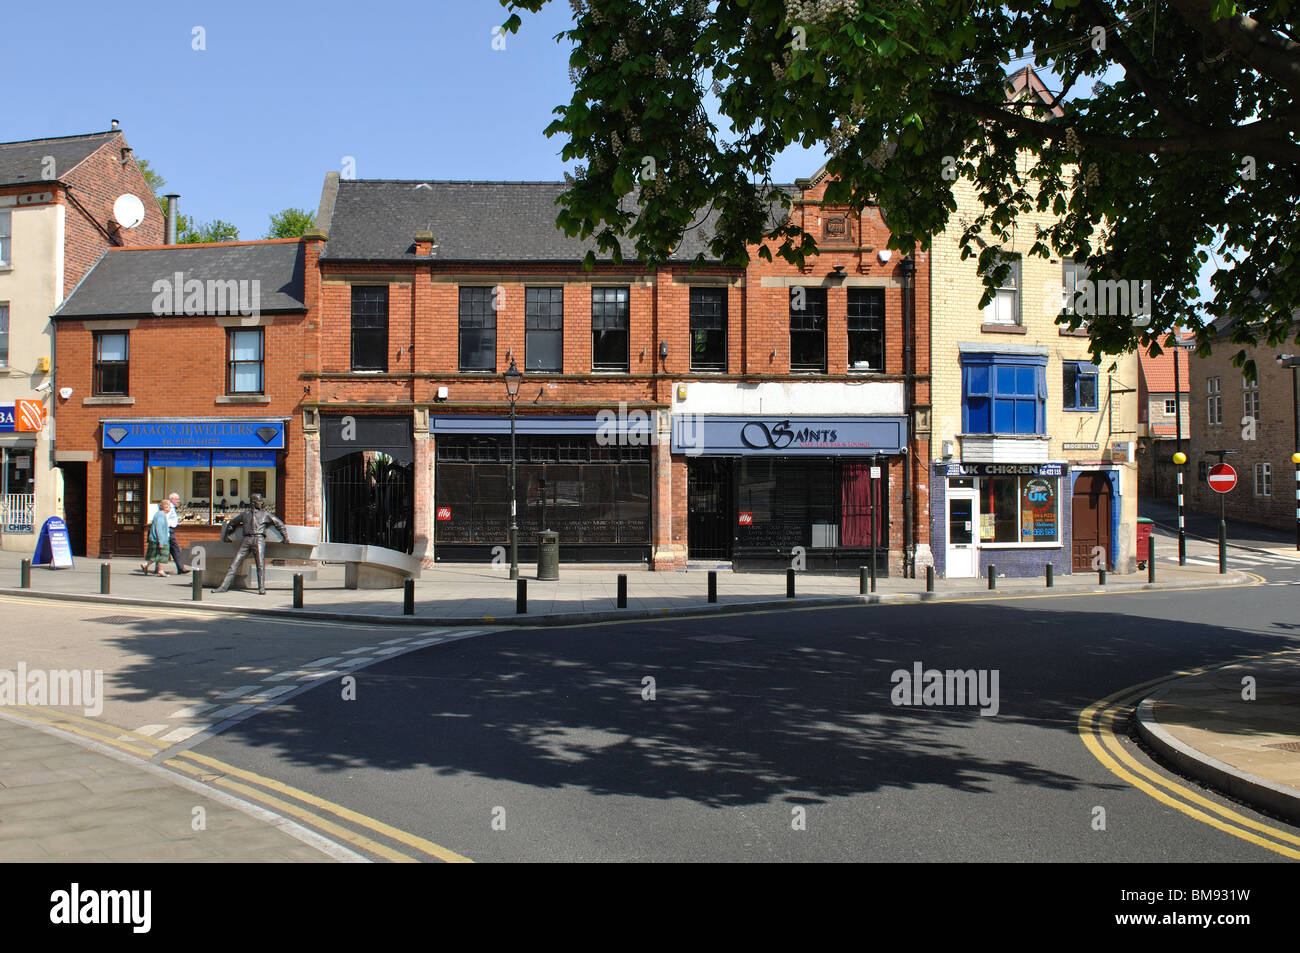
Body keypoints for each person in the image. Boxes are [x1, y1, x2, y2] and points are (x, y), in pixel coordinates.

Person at [215, 493, 289, 594]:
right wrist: (226, 535)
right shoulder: (245, 514)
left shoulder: (265, 514)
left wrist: (285, 537)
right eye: (259, 501)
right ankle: (223, 587)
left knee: (260, 564)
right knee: (235, 563)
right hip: (247, 540)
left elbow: (280, 524)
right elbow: (232, 523)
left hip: (259, 539)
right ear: (253, 503)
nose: (262, 502)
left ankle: (261, 588)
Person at [141, 500, 172, 577]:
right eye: (169, 507)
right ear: (165, 507)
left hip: (158, 539)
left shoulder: (160, 514)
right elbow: (159, 529)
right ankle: (148, 566)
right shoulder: (160, 515)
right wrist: (161, 542)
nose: (170, 508)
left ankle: (158, 570)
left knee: (158, 555)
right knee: (159, 555)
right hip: (158, 539)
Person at [166, 492, 189, 574]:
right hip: (169, 530)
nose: (178, 501)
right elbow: (166, 519)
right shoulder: (169, 507)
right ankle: (180, 568)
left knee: (171, 550)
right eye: (177, 499)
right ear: (172, 499)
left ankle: (180, 568)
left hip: (170, 530)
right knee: (175, 549)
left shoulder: (172, 507)